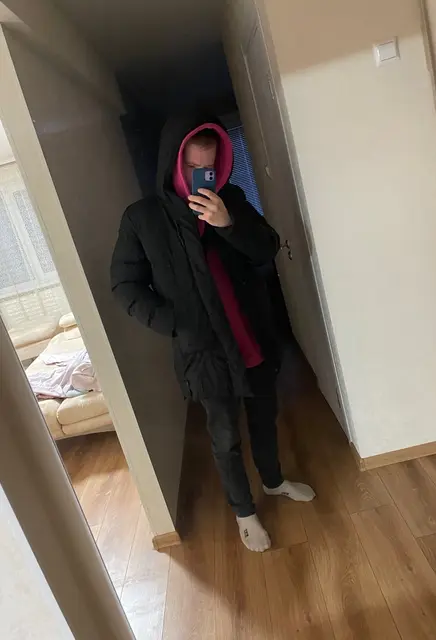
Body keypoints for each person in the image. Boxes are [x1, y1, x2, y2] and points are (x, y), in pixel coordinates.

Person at [110, 114, 315, 552]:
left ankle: (274, 481)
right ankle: (245, 512)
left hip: (250, 335)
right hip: (203, 348)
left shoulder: (231, 199)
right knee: (224, 435)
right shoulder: (143, 218)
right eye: (192, 167)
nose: (201, 176)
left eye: (209, 167)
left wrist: (228, 224)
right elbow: (124, 285)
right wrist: (174, 324)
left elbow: (266, 248)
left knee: (264, 417)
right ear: (174, 162)